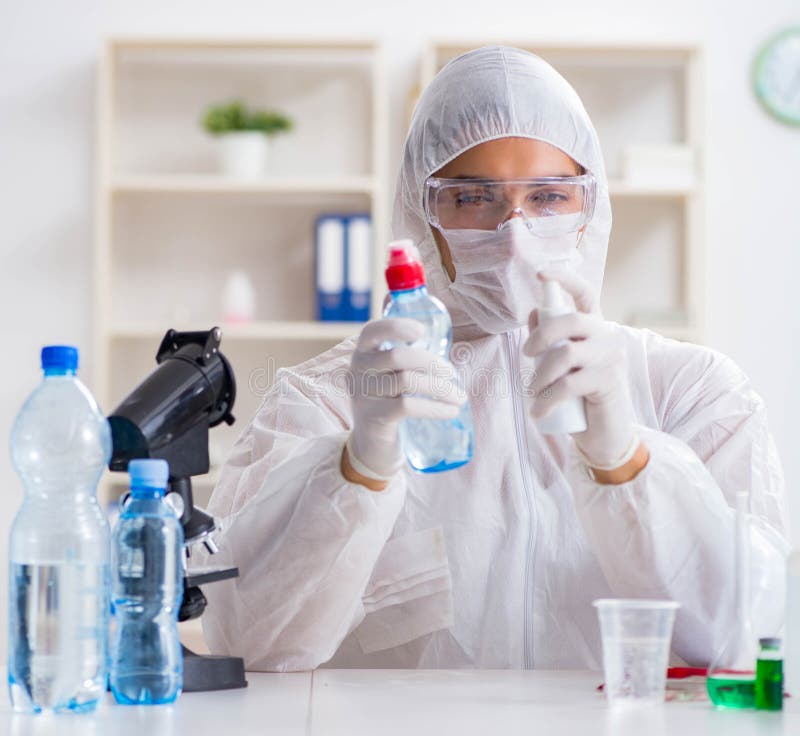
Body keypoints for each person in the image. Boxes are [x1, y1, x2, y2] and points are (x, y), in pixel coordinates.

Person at [197, 46, 788, 671]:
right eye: (473, 197)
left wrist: (627, 460)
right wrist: (356, 468)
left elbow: (744, 635)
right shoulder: (330, 398)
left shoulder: (690, 391)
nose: (513, 232)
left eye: (549, 197)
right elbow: (247, 643)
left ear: (590, 208)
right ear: (423, 211)